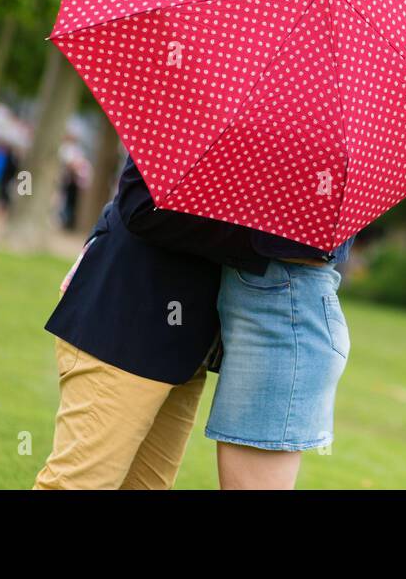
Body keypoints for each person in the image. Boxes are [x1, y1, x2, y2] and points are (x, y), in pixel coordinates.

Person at [34, 156, 353, 491]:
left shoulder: (299, 141)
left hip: (187, 341)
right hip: (126, 316)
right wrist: (266, 244)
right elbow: (142, 205)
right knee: (77, 484)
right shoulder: (198, 109)